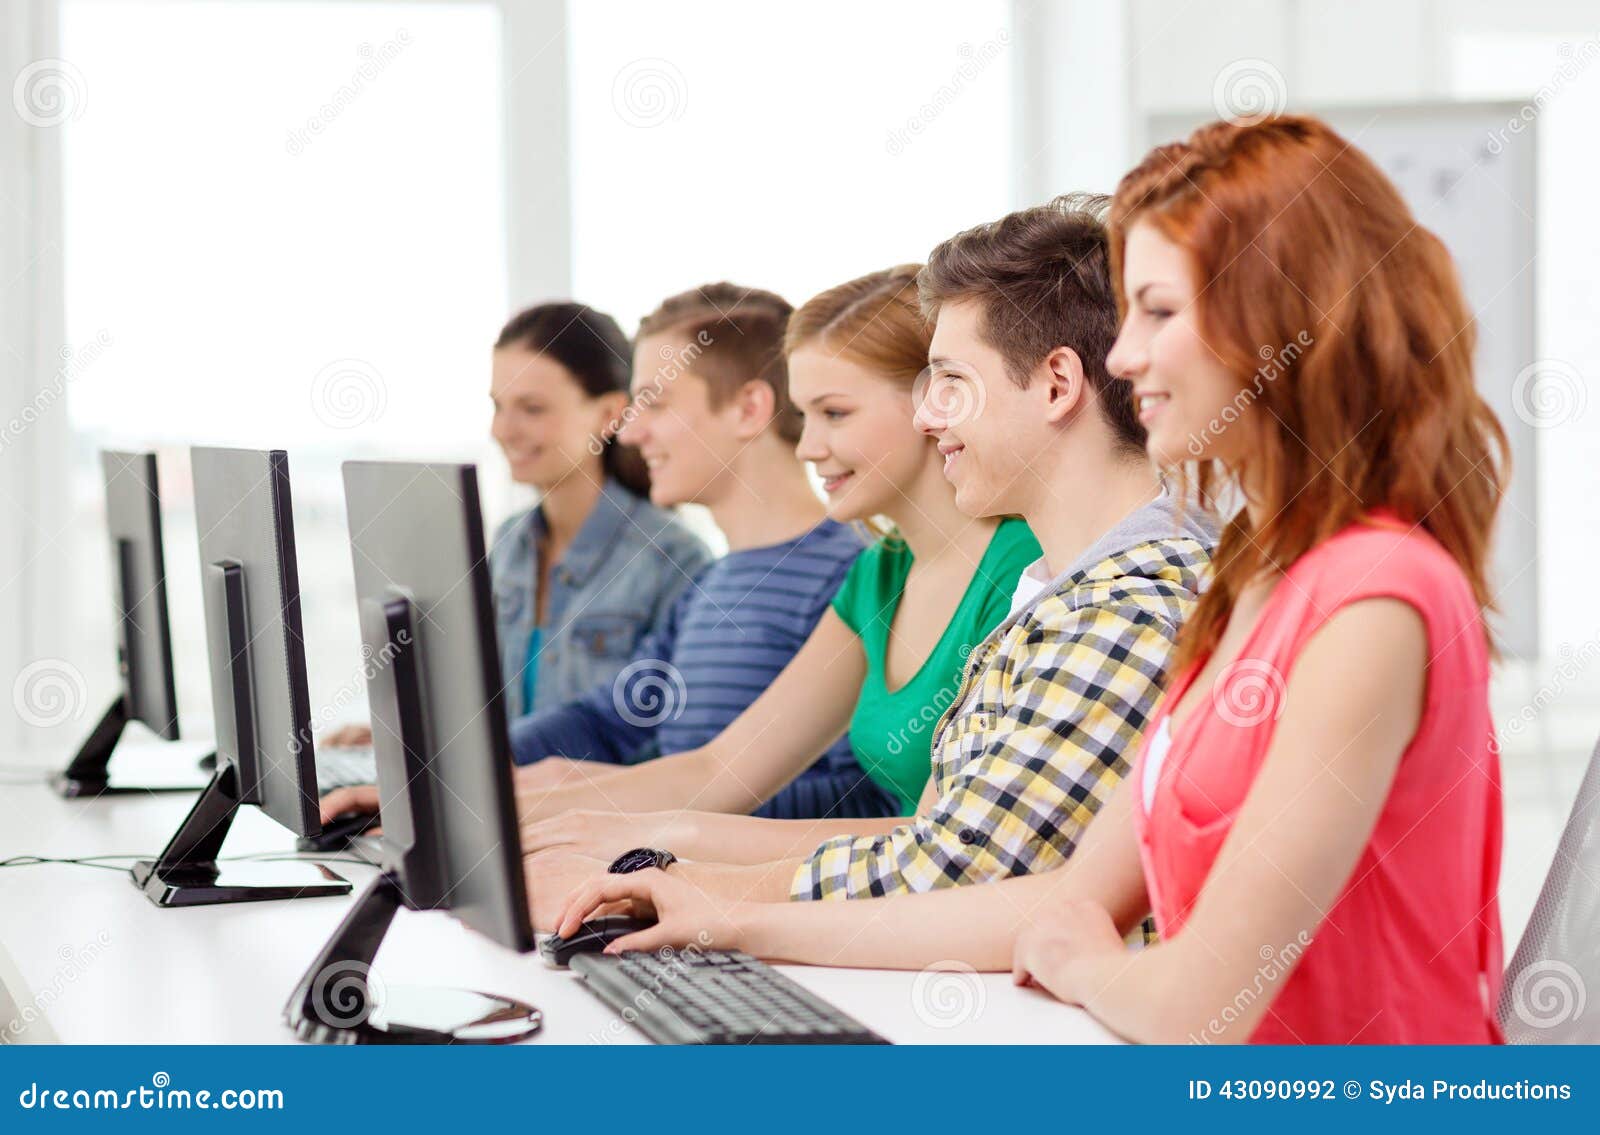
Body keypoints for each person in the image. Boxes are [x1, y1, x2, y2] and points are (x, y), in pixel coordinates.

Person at [559, 118, 1508, 1047]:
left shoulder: (1368, 599)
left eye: (1161, 313)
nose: (1126, 357)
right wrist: (726, 916)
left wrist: (1084, 963)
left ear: (1272, 331)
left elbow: (1187, 1005)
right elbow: (1058, 899)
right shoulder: (1253, 583)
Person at [532, 195, 1213, 921]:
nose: (929, 415)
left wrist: (673, 880)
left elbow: (952, 871)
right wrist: (656, 857)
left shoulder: (1127, 602)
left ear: (1056, 383)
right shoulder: (1041, 590)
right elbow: (939, 841)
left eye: (950, 381)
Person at [515, 265, 1046, 914]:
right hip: (882, 920)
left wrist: (658, 843)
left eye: (834, 413)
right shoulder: (879, 573)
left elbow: (942, 846)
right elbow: (720, 769)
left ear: (930, 403)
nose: (809, 445)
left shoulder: (1023, 568)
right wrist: (495, 807)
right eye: (807, 415)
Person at [315, 300, 711, 768]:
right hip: (505, 813)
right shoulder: (509, 544)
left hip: (594, 829)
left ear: (609, 414)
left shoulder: (672, 560)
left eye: (532, 408)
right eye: (498, 406)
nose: (503, 429)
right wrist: (400, 741)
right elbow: (480, 710)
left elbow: (669, 752)